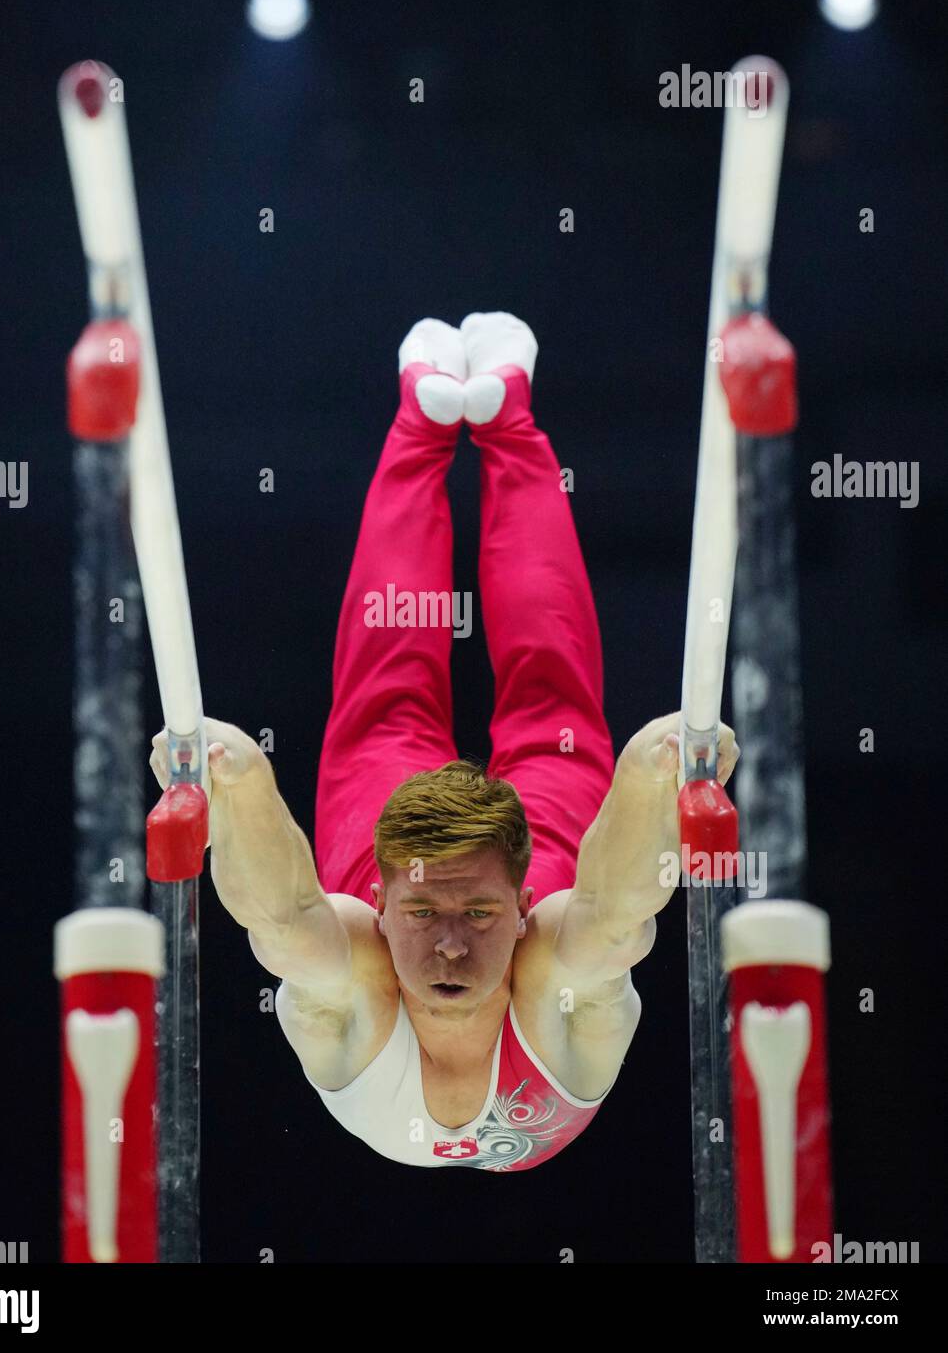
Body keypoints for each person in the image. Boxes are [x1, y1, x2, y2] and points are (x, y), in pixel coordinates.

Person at [151, 312, 738, 1172]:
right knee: (552, 690)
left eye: (477, 914)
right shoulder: (538, 981)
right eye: (424, 912)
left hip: (408, 847)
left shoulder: (393, 976)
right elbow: (611, 913)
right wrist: (655, 769)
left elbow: (284, 916)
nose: (453, 947)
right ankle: (509, 419)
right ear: (384, 905)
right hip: (480, 872)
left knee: (386, 689)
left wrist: (234, 777)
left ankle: (418, 425)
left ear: (522, 903)